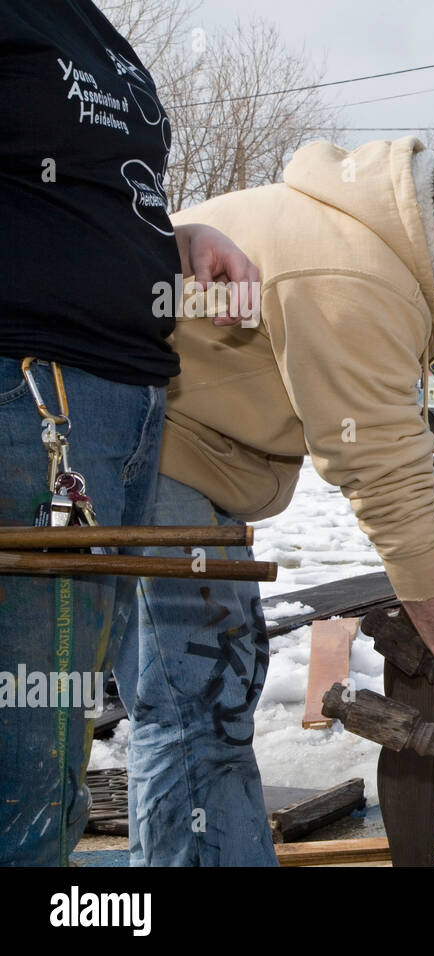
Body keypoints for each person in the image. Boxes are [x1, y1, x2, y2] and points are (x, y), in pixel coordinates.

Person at [114, 112, 434, 865]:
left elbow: (388, 448)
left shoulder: (408, 257)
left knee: (214, 703)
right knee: (194, 709)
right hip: (149, 451)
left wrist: (427, 546)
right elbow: (383, 482)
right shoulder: (352, 274)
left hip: (193, 459)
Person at [0, 0, 257, 866]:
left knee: (57, 731)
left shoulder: (88, 27)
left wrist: (170, 237)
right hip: (34, 392)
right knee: (25, 760)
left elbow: (73, 186)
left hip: (123, 398)